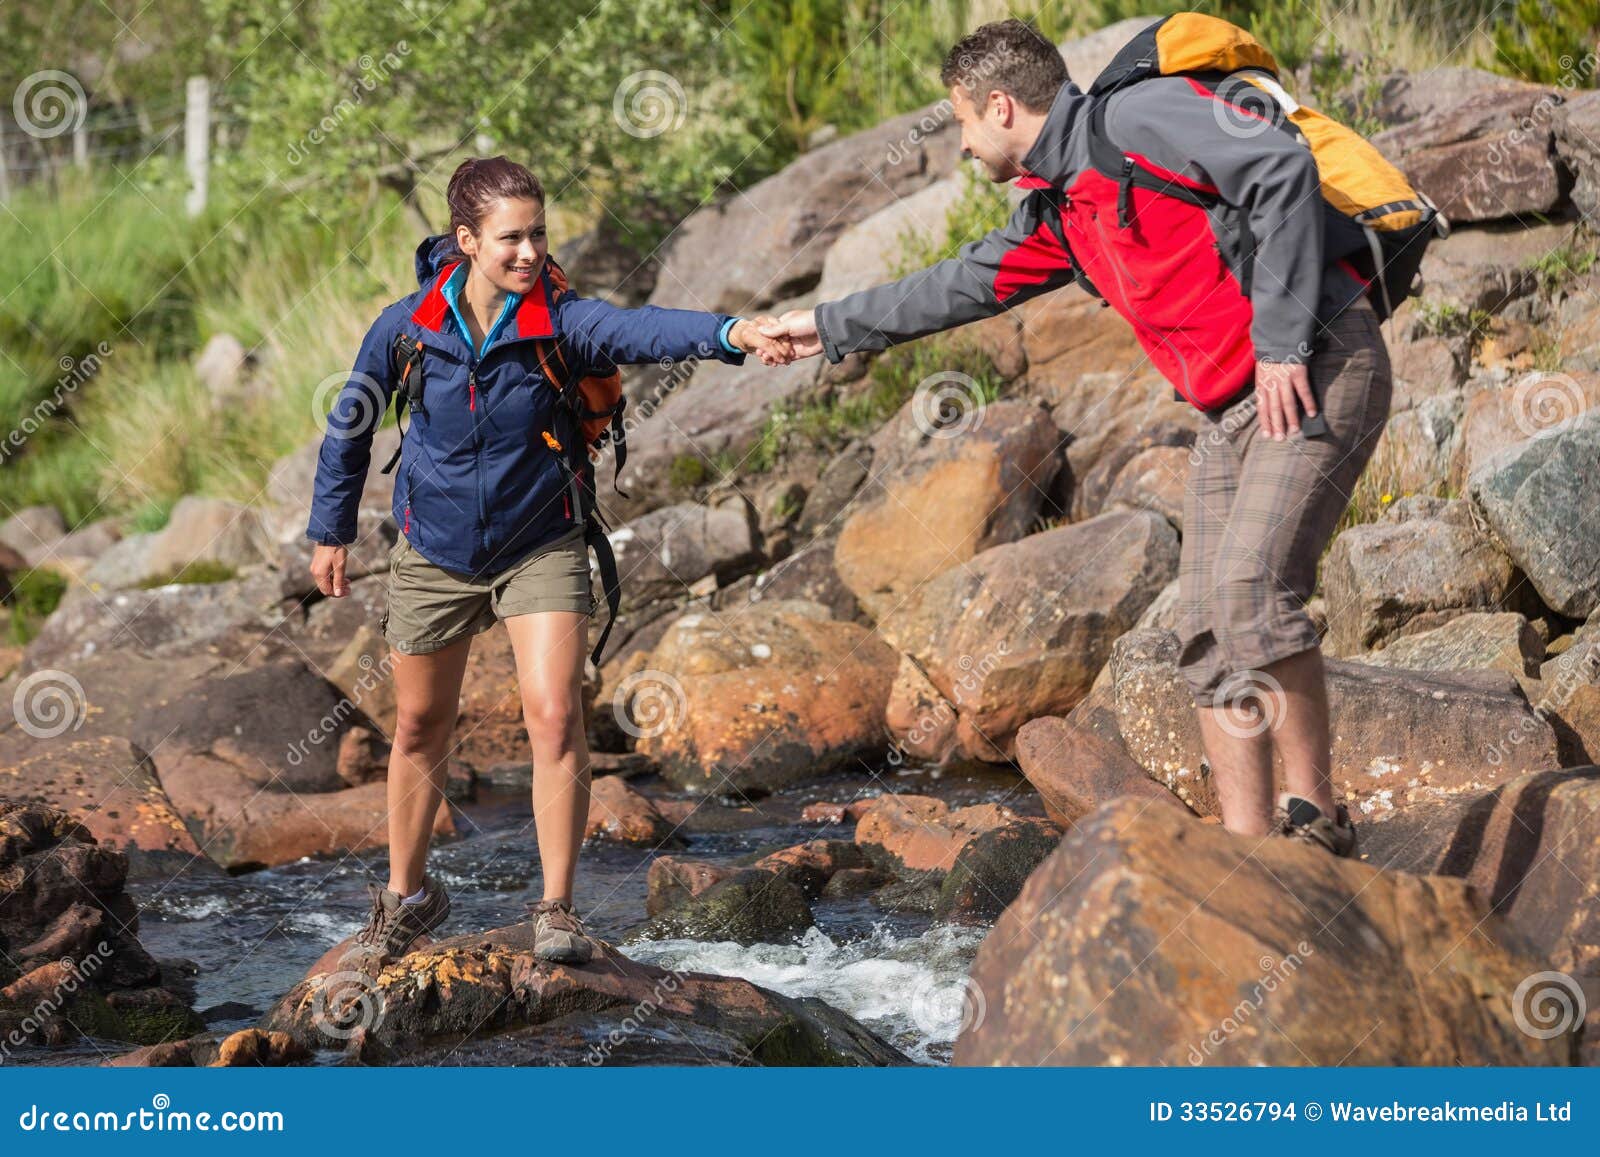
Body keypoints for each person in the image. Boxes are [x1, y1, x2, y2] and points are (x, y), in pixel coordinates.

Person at [761, 19, 1392, 855]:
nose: (960, 144)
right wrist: (825, 325)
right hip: (1230, 410)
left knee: (1249, 594)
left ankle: (1318, 821)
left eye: (960, 122)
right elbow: (958, 286)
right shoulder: (1058, 211)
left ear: (999, 105)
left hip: (1318, 363)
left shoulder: (1137, 122)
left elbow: (1278, 166)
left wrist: (1280, 343)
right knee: (1204, 628)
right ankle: (1249, 852)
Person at [307, 156, 792, 969]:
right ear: (466, 240)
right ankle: (406, 899)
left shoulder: (560, 320)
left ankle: (557, 908)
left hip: (541, 541)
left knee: (556, 714)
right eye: (510, 238)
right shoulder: (406, 326)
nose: (529, 252)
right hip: (434, 550)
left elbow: (642, 329)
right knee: (422, 724)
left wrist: (729, 334)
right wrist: (332, 528)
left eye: (538, 234)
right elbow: (351, 420)